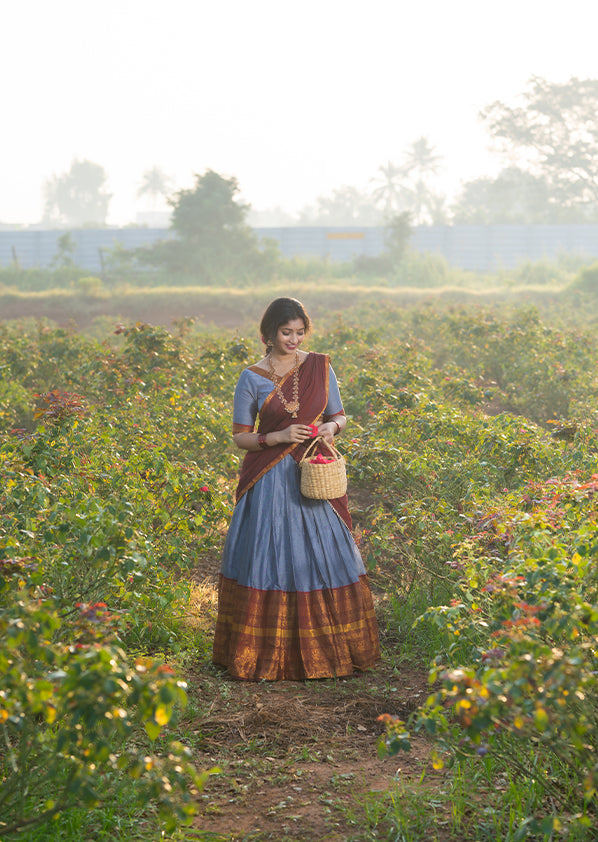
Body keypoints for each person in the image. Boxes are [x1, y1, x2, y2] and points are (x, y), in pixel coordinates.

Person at [212, 297, 380, 680]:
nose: (293, 339)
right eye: (286, 332)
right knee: (269, 555)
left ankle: (331, 651)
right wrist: (278, 436)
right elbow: (241, 438)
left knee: (323, 554)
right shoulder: (251, 377)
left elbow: (339, 415)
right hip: (269, 479)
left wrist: (329, 428)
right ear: (268, 333)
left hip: (313, 473)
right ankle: (265, 655)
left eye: (300, 332)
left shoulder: (319, 366)